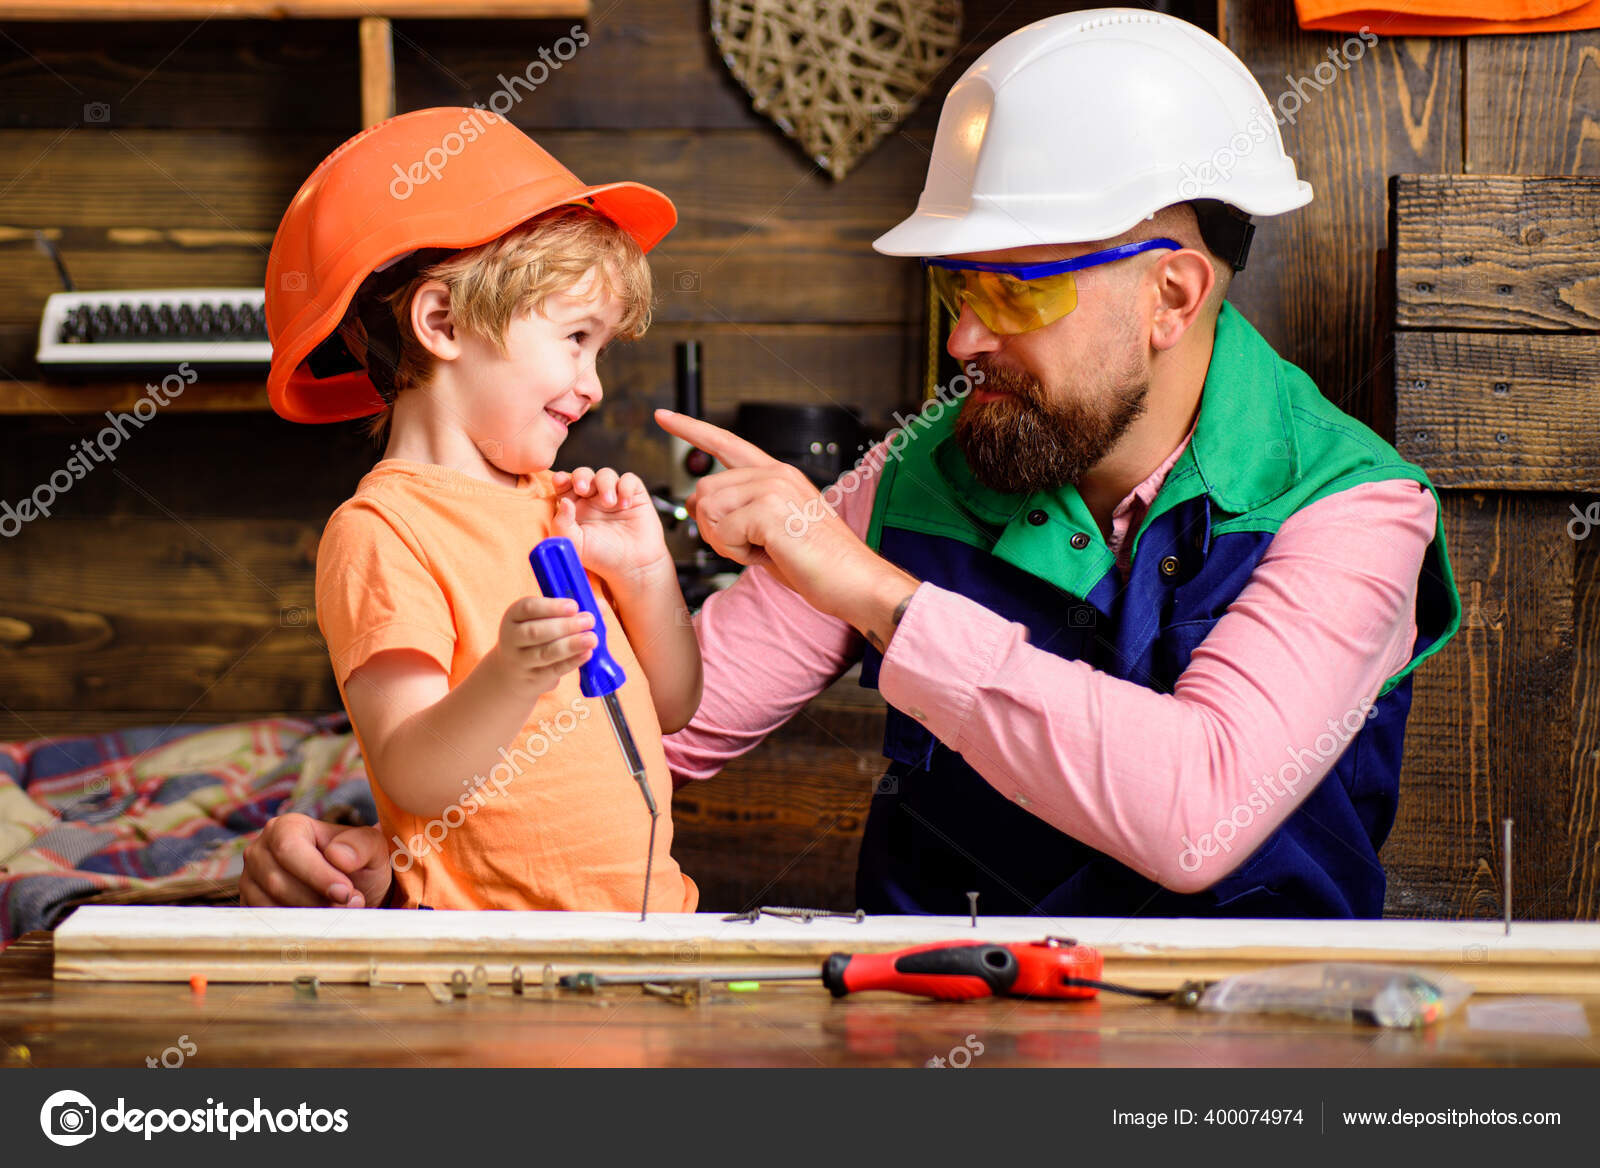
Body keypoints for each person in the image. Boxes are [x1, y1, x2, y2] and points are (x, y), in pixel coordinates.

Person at [243, 10, 1460, 919]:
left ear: (1172, 293)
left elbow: (1201, 814)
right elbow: (641, 729)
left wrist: (869, 592)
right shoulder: (922, 466)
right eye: (951, 289)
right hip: (922, 1042)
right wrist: (387, 837)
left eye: (1006, 290)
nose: (963, 339)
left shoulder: (1354, 512)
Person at [255, 107, 701, 912]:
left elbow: (672, 707)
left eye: (601, 350)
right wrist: (511, 674)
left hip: (648, 925)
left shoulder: (558, 509)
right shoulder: (382, 532)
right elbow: (415, 774)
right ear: (444, 322)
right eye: (575, 337)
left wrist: (642, 574)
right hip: (493, 962)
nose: (594, 384)